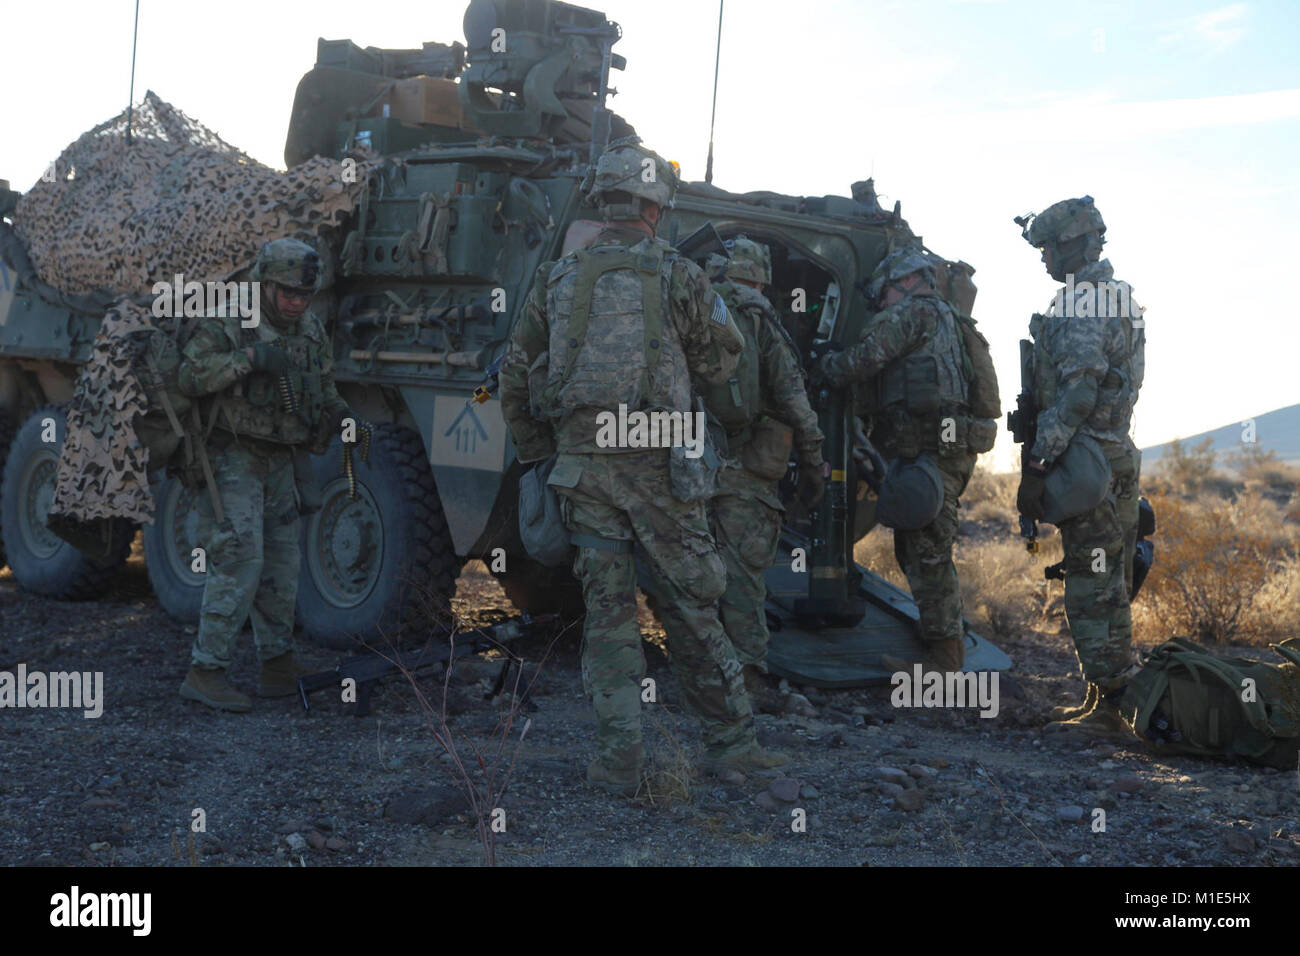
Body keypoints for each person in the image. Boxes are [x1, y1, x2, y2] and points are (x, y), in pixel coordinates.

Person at [498, 138, 787, 795]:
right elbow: (724, 363)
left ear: (603, 201)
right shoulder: (684, 275)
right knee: (692, 606)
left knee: (606, 618)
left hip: (584, 470)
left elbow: (515, 378)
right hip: (662, 469)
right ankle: (733, 747)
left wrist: (544, 455)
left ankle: (617, 763)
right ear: (655, 207)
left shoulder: (556, 278)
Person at [177, 238, 360, 712]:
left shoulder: (310, 328)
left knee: (283, 562)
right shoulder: (230, 317)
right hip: (232, 456)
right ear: (264, 284)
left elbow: (324, 385)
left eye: (304, 295)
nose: (296, 303)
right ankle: (206, 671)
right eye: (287, 294)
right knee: (240, 561)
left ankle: (276, 666)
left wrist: (344, 417)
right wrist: (250, 360)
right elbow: (190, 377)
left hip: (282, 459)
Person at [654, 237, 824, 711]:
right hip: (746, 473)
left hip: (685, 465)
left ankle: (695, 678)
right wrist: (814, 461)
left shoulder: (685, 306)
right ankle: (744, 682)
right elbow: (793, 398)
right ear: (761, 277)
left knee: (690, 574)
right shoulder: (757, 317)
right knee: (744, 579)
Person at [1015, 196, 1145, 735]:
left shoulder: (1082, 303)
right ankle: (1109, 698)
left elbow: (1077, 393)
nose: (1044, 259)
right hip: (1114, 452)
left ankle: (1111, 707)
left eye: (1048, 248)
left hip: (1085, 458)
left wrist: (1040, 464)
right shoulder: (1120, 297)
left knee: (1093, 581)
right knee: (1110, 580)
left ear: (1072, 245)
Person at [819, 249, 979, 674]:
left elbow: (863, 360)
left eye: (884, 294)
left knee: (927, 553)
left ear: (906, 281)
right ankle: (941, 648)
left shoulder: (914, 313)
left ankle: (944, 663)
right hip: (946, 451)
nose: (882, 303)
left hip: (928, 451)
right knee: (923, 548)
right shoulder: (951, 318)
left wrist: (827, 363)